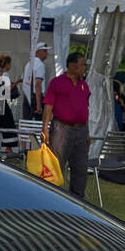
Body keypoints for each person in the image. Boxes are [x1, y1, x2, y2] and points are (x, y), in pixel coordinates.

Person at [43, 51, 92, 198]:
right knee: (57, 166)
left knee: (81, 168)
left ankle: (77, 201)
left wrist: (88, 132)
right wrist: (45, 127)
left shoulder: (84, 85)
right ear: (72, 65)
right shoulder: (57, 83)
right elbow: (48, 105)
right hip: (61, 129)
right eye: (82, 64)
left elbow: (85, 108)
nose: (84, 68)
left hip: (81, 130)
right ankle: (52, 199)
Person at [0, 54, 20, 150]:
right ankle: (9, 149)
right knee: (8, 125)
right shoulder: (5, 74)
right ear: (8, 64)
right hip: (2, 103)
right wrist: (17, 81)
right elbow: (8, 89)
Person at [20, 42, 49, 121]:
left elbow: (22, 79)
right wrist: (38, 104)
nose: (47, 53)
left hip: (27, 96)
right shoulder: (40, 64)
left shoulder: (28, 64)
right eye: (45, 50)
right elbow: (37, 84)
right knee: (39, 125)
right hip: (36, 97)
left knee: (26, 123)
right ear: (39, 51)